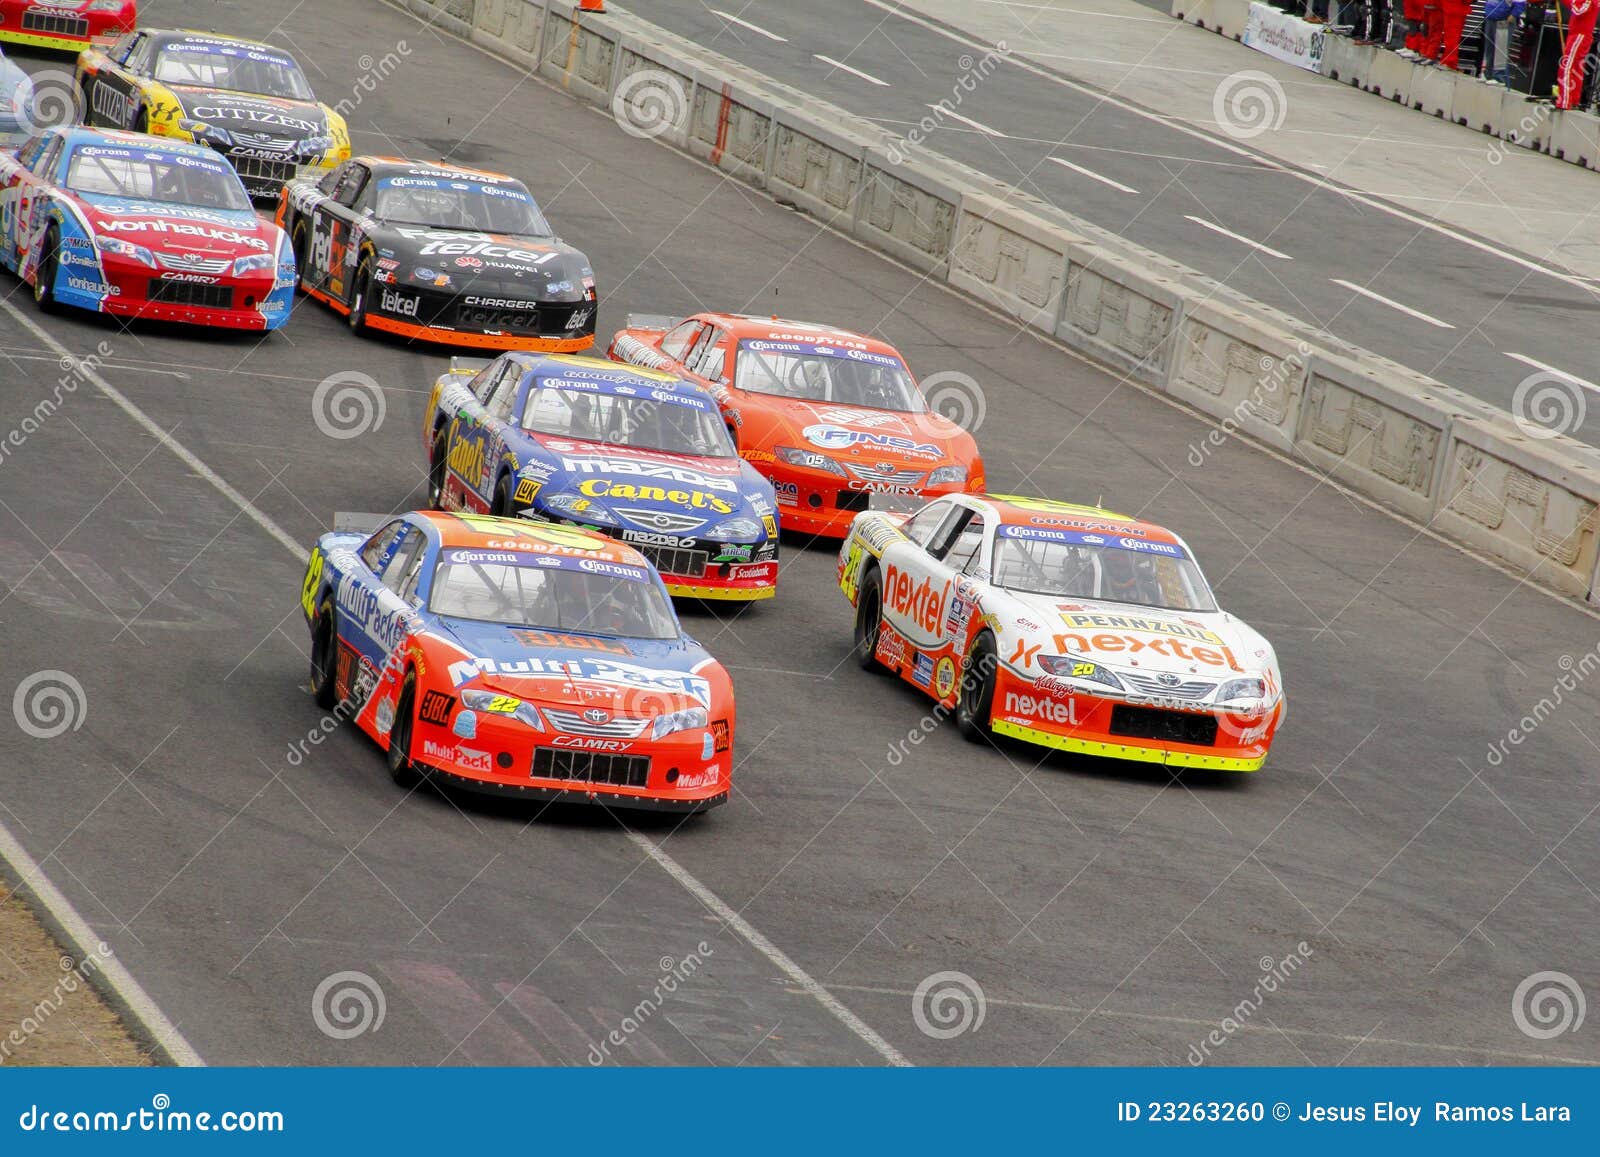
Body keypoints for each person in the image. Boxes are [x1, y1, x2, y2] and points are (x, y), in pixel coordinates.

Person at [1557, 0, 1599, 108]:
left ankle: (1564, 101)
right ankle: (1573, 100)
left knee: (1566, 66)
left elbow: (1578, 10)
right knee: (1576, 68)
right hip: (1578, 33)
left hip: (1580, 34)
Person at [1481, 0, 1527, 84]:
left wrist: (1513, 15)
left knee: (1500, 48)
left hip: (1504, 19)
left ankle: (1499, 77)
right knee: (1489, 48)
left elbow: (1521, 3)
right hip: (1491, 17)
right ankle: (1488, 74)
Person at [1439, 0, 1474, 69]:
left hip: (1455, 9)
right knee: (1450, 37)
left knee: (1452, 38)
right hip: (1453, 8)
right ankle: (1448, 60)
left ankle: (1450, 62)